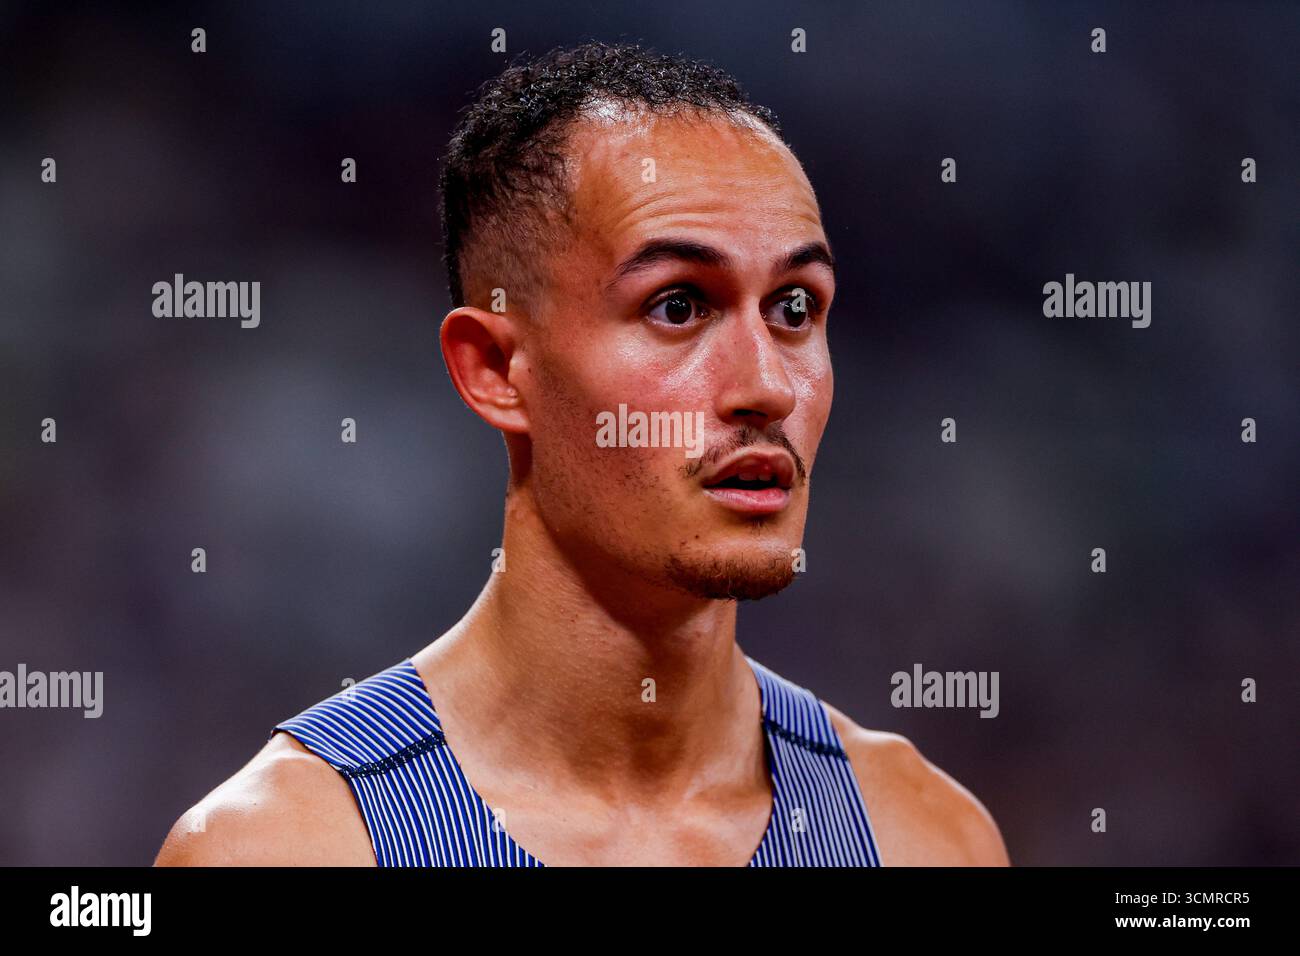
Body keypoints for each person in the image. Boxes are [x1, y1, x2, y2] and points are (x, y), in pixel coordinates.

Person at [156, 40, 1009, 867]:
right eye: (678, 305)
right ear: (495, 370)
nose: (768, 387)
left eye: (794, 308)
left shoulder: (927, 839)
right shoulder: (283, 849)